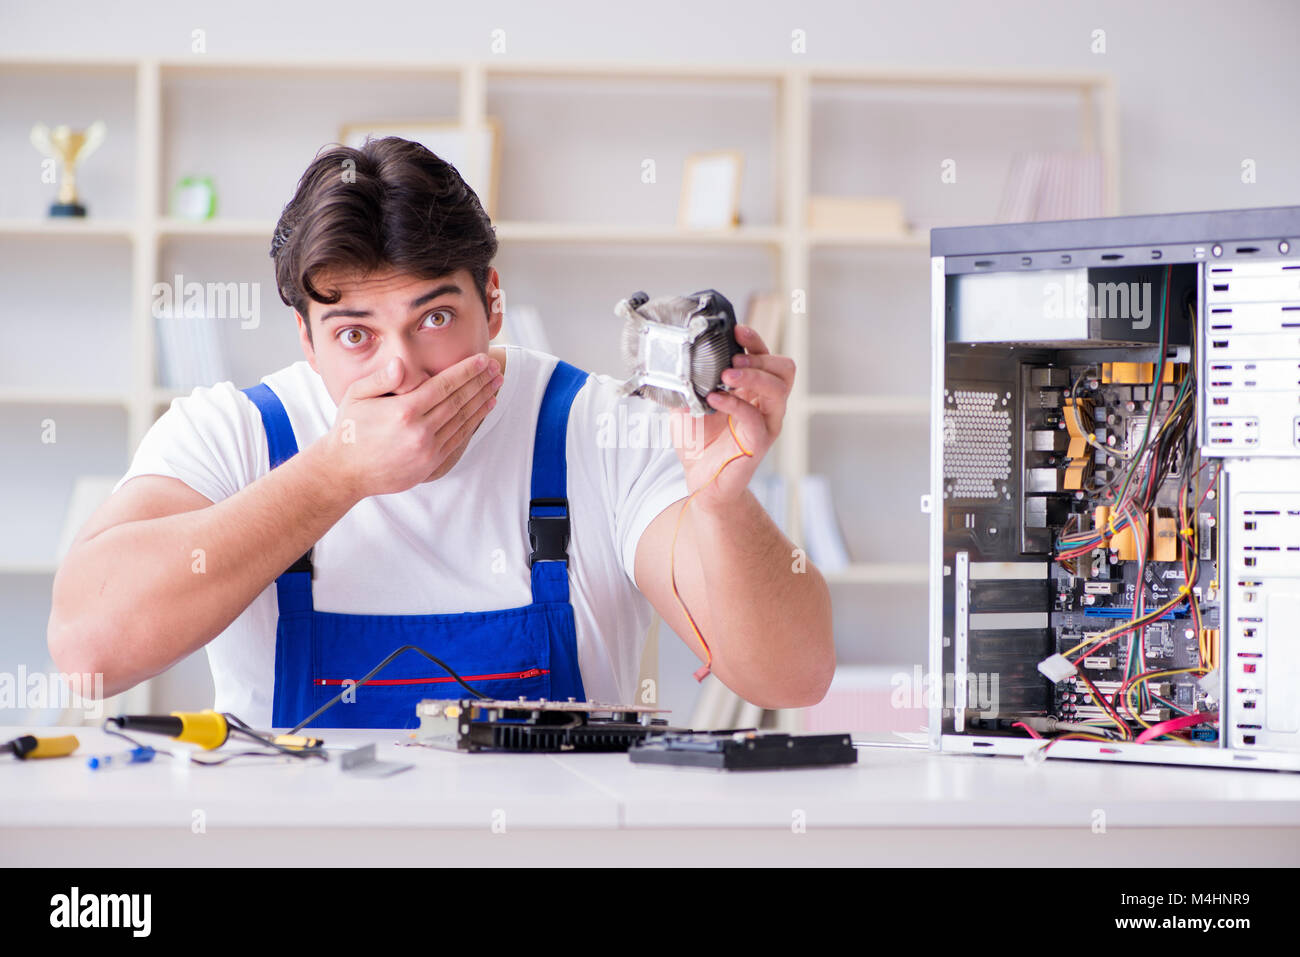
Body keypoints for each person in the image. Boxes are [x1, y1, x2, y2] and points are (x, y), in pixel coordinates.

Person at [48, 137, 834, 729]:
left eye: (434, 318)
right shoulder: (234, 434)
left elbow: (793, 676)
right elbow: (86, 651)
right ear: (305, 337)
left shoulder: (597, 426)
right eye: (355, 334)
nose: (403, 371)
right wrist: (336, 475)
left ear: (492, 302)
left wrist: (724, 503)